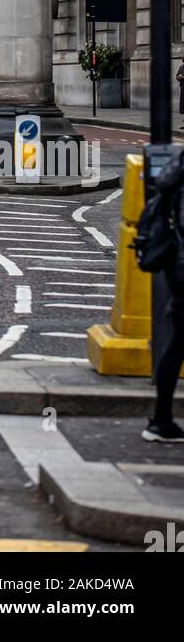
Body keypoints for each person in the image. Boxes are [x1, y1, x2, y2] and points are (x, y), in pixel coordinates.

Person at [143, 153, 184, 443]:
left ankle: (161, 419)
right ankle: (160, 420)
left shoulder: (178, 166)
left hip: (178, 267)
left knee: (178, 343)